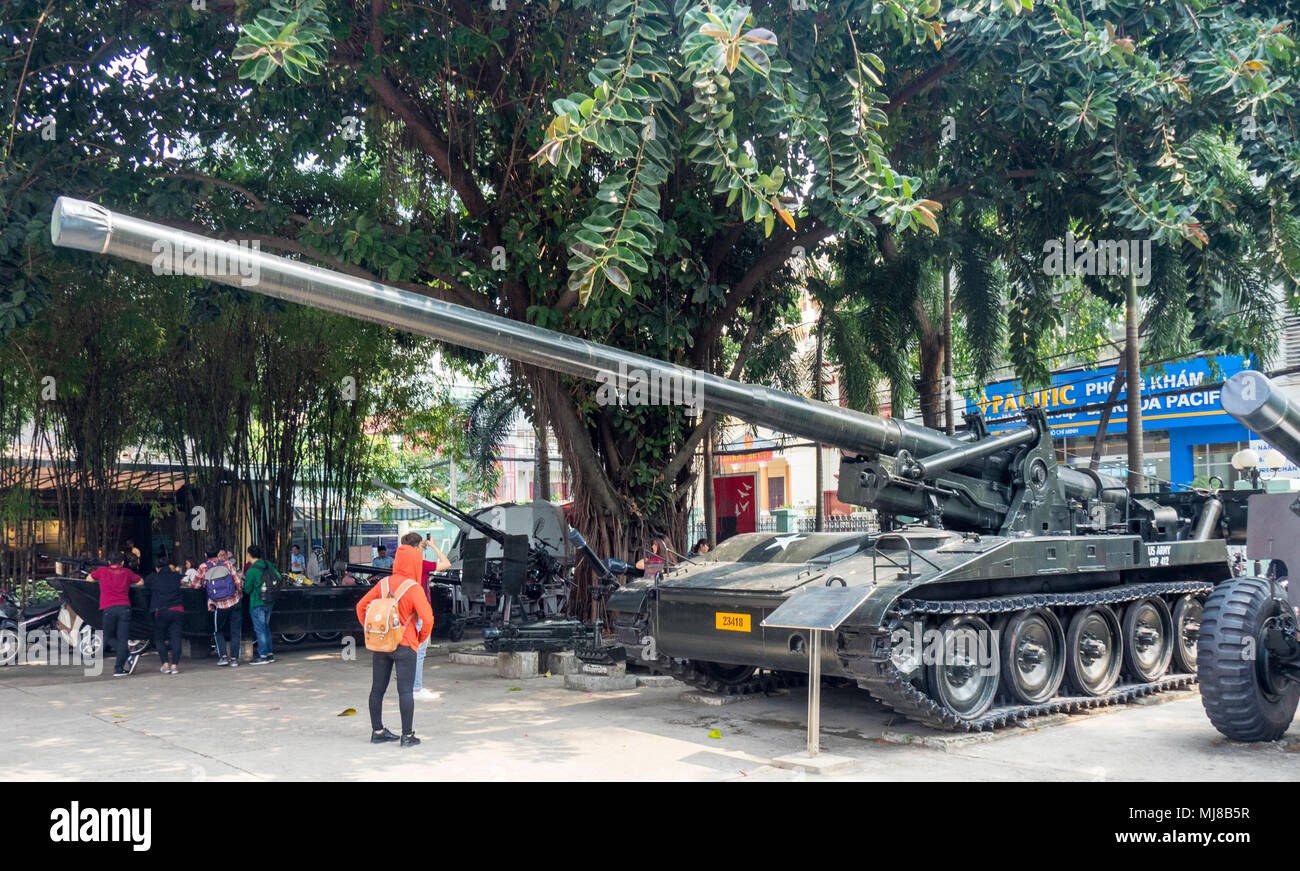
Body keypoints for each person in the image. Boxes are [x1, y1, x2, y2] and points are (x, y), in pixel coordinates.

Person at [355, 559, 433, 747]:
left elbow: (360, 606)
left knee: (377, 688)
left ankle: (378, 731)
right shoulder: (413, 587)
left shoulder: (383, 583)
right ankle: (407, 736)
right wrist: (420, 638)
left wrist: (371, 631)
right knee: (405, 691)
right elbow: (427, 617)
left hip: (382, 642)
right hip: (405, 644)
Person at [395, 531, 449, 701]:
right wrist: (432, 545)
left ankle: (407, 687)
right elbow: (446, 563)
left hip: (404, 612)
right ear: (418, 547)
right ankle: (416, 689)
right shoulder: (421, 563)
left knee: (407, 651)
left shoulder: (399, 564)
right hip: (419, 612)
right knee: (419, 651)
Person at [89, 552, 143, 677]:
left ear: (109, 562)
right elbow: (140, 581)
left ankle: (128, 658)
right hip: (124, 607)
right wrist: (129, 584)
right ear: (122, 563)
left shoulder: (102, 571)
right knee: (123, 639)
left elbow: (89, 578)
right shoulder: (127, 572)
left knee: (108, 637)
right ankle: (119, 668)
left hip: (108, 608)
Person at [195, 547, 244, 667]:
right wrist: (239, 593)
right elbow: (237, 581)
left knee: (218, 631)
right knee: (235, 632)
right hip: (234, 601)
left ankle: (223, 657)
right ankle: (234, 660)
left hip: (219, 604)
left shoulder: (203, 567)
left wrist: (204, 584)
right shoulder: (227, 563)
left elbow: (195, 585)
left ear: (206, 554)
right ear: (218, 554)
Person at [143, 556, 185, 674]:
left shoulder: (153, 577)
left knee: (159, 638)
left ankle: (165, 665)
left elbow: (145, 584)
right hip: (178, 609)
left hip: (161, 610)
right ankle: (174, 666)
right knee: (176, 638)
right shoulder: (176, 576)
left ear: (157, 568)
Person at [243, 544, 280, 665]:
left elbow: (247, 589)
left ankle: (263, 655)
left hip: (257, 602)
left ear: (249, 555)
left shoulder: (251, 571)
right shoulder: (267, 564)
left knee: (260, 629)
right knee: (266, 628)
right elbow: (278, 576)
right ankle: (269, 654)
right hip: (270, 600)